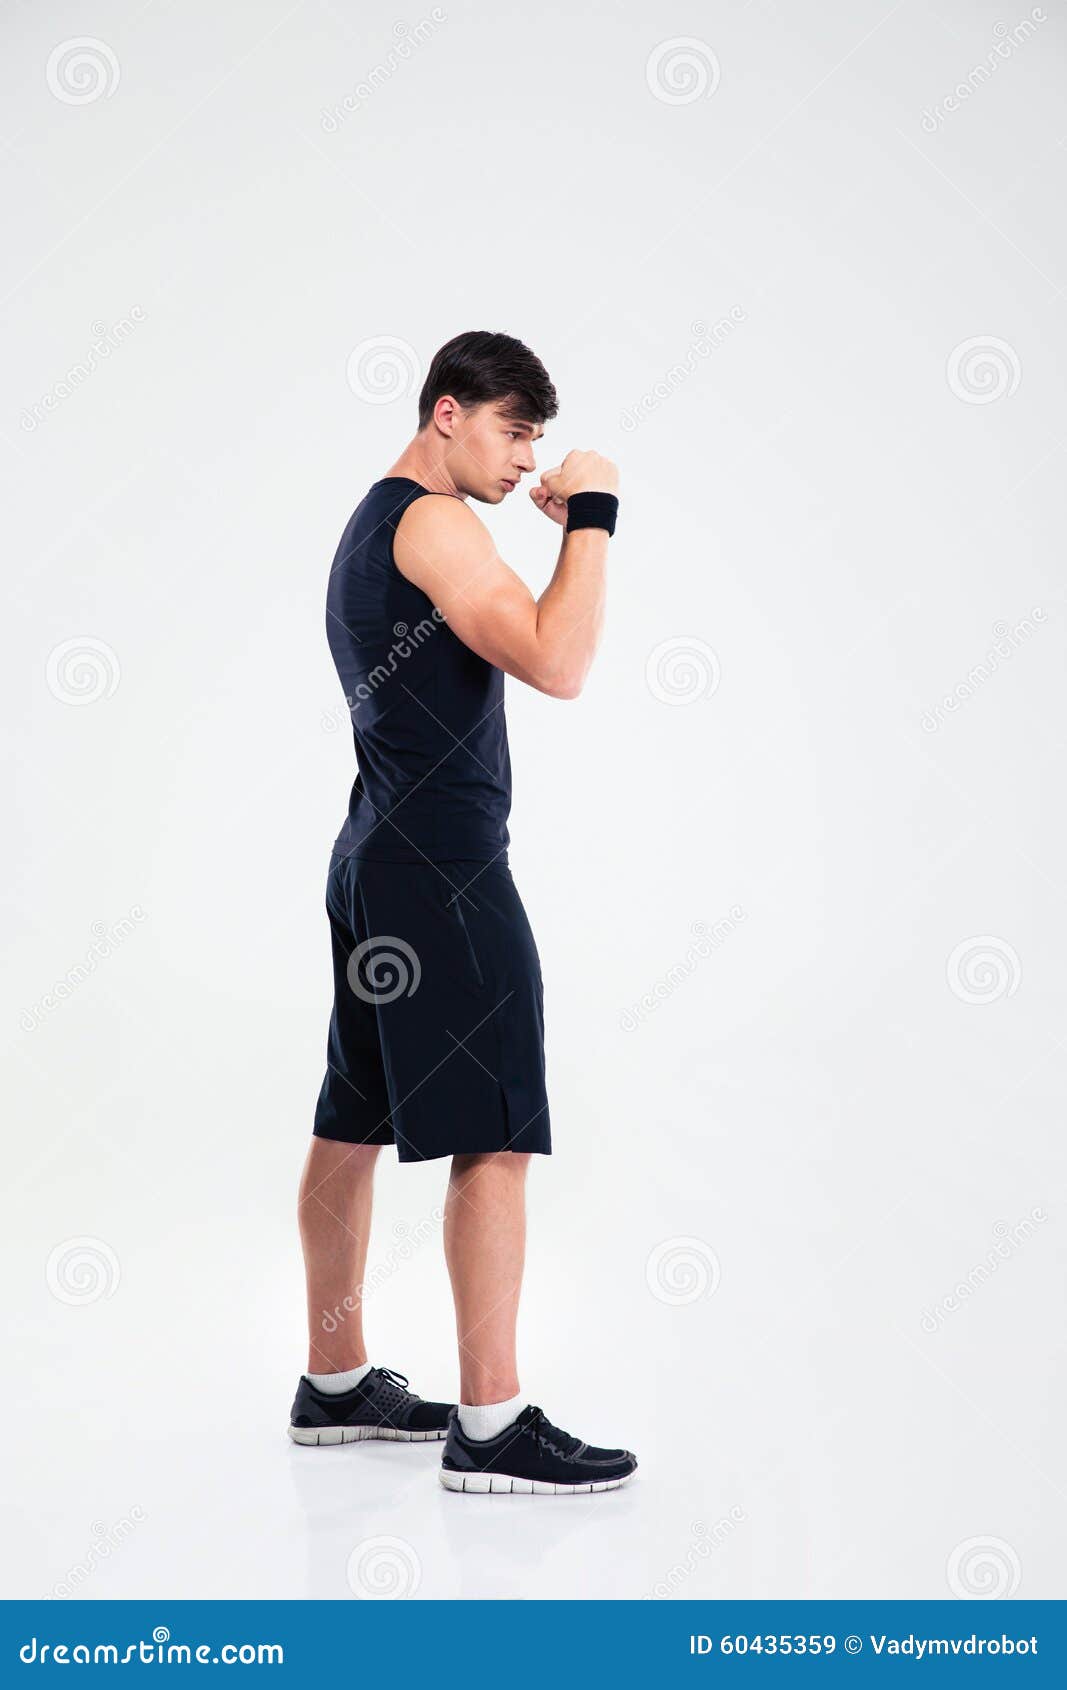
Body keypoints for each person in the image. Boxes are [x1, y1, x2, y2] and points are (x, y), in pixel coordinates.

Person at [289, 330, 637, 1495]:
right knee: (495, 1131)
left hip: (372, 860)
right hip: (440, 870)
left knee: (351, 1123)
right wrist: (592, 517)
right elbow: (557, 661)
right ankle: (491, 1426)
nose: (525, 457)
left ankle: (334, 1382)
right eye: (511, 430)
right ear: (447, 412)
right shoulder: (436, 524)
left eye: (537, 439)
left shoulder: (372, 519)